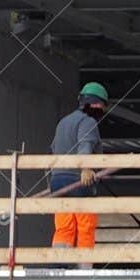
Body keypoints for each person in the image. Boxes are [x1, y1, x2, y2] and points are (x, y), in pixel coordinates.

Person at [50, 82, 111, 251]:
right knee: (86, 225)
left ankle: (59, 266)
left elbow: (53, 149)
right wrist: (86, 169)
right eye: (102, 107)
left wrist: (53, 178)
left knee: (64, 225)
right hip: (78, 180)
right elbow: (85, 145)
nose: (102, 112)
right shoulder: (88, 121)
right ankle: (84, 270)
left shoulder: (63, 122)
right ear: (95, 104)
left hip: (58, 180)